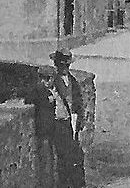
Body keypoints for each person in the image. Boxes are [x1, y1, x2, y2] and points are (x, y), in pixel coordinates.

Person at [47, 51, 86, 187]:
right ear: (56, 65)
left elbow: (78, 100)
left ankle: (78, 184)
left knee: (76, 154)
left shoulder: (72, 81)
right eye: (61, 65)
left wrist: (80, 118)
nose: (64, 68)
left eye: (67, 65)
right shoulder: (53, 82)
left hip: (73, 122)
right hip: (60, 123)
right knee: (63, 156)